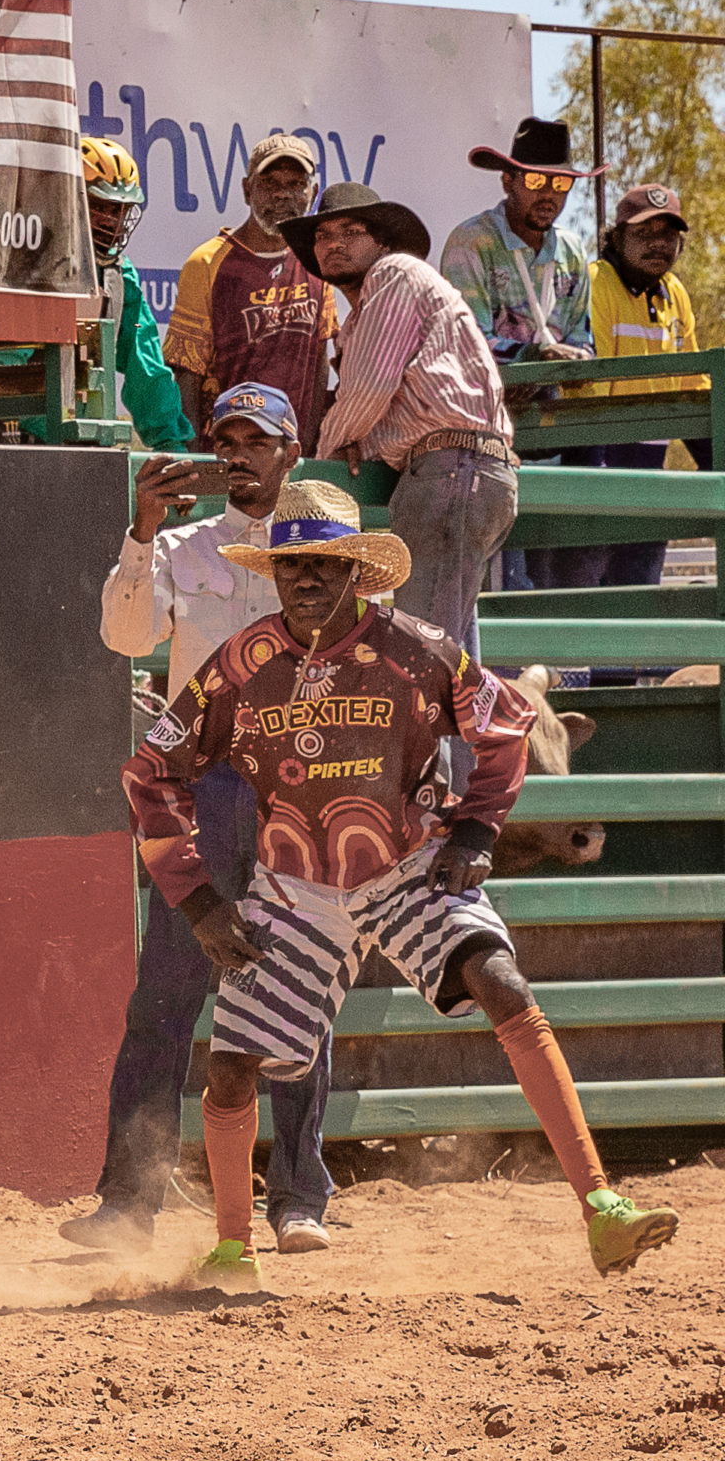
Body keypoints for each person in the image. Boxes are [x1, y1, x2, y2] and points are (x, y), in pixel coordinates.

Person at [122, 478, 681, 1288]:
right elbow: (152, 772)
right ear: (274, 573)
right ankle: (234, 1250)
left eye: (324, 564)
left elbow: (507, 725)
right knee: (234, 1066)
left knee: (501, 980)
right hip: (292, 883)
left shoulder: (418, 649)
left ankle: (602, 1206)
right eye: (291, 565)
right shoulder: (242, 664)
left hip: (409, 862)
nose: (305, 579)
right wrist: (199, 899)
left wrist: (477, 830)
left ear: (357, 571)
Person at [71, 382, 333, 1255]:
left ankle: (298, 1197)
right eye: (227, 439)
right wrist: (141, 531)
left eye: (257, 440)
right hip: (208, 789)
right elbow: (125, 638)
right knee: (167, 996)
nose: (238, 454)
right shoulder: (180, 546)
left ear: (290, 453)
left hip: (300, 786)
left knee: (296, 993)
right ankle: (128, 1203)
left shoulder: (323, 552)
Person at [285, 183, 515, 657]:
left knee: (421, 657)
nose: (334, 243)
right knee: (447, 653)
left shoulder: (394, 273)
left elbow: (369, 387)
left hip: (450, 471)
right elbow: (394, 401)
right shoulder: (373, 306)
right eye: (323, 236)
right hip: (461, 472)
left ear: (383, 242)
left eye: (351, 231)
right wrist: (363, 442)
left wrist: (327, 464)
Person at [0, 136, 190, 449]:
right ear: (66, 201)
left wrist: (171, 444)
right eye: (99, 206)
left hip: (75, 446)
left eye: (118, 210)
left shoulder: (118, 278)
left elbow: (147, 370)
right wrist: (10, 434)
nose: (110, 221)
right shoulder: (23, 264)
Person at [551, 184, 703, 584]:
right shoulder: (597, 282)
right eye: (643, 233)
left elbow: (694, 386)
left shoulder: (674, 293)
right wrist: (598, 478)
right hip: (596, 461)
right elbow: (590, 386)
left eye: (667, 234)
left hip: (649, 468)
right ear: (616, 238)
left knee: (640, 591)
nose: (658, 244)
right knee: (583, 592)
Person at [163, 135, 337, 452]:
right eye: (269, 183)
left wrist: (308, 448)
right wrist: (197, 461)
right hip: (228, 455)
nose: (282, 194)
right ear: (247, 190)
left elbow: (318, 362)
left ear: (313, 194)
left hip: (291, 456)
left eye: (296, 184)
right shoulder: (207, 262)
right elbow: (187, 375)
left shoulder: (316, 260)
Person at [440, 117, 601, 366]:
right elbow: (468, 341)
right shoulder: (471, 242)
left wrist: (581, 357)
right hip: (489, 390)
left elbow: (582, 337)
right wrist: (538, 354)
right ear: (508, 181)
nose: (548, 194)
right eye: (535, 180)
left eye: (561, 183)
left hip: (558, 391)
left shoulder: (572, 250)